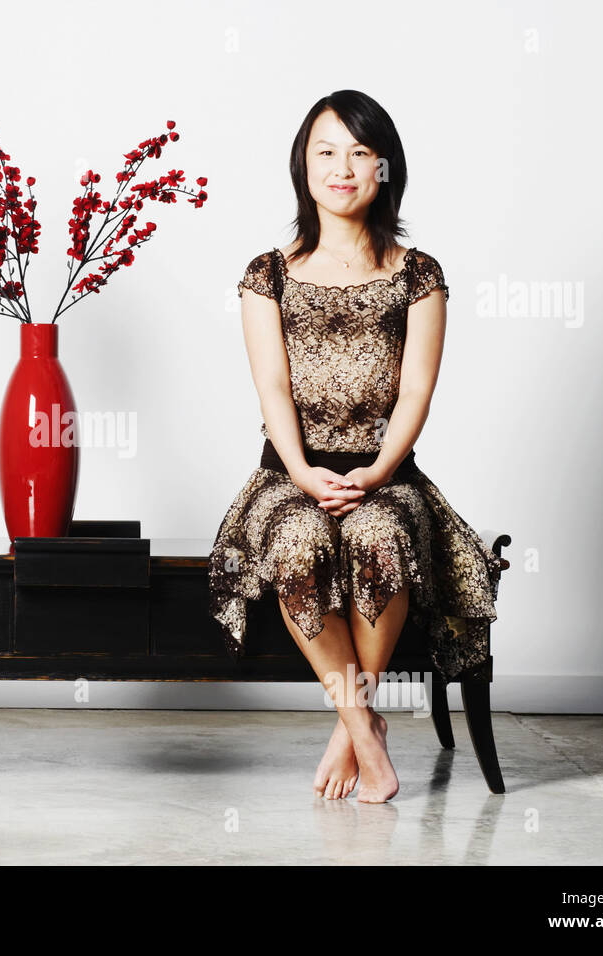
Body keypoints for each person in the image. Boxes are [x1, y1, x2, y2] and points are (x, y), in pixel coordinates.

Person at [207, 90, 504, 803]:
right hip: (289, 475)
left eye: (361, 153)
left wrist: (375, 471)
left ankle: (350, 731)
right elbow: (273, 391)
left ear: (385, 169)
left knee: (378, 537)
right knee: (297, 545)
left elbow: (416, 394)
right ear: (303, 166)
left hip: (388, 474)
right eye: (326, 151)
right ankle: (371, 733)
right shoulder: (266, 274)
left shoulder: (418, 273)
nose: (343, 168)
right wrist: (306, 474)